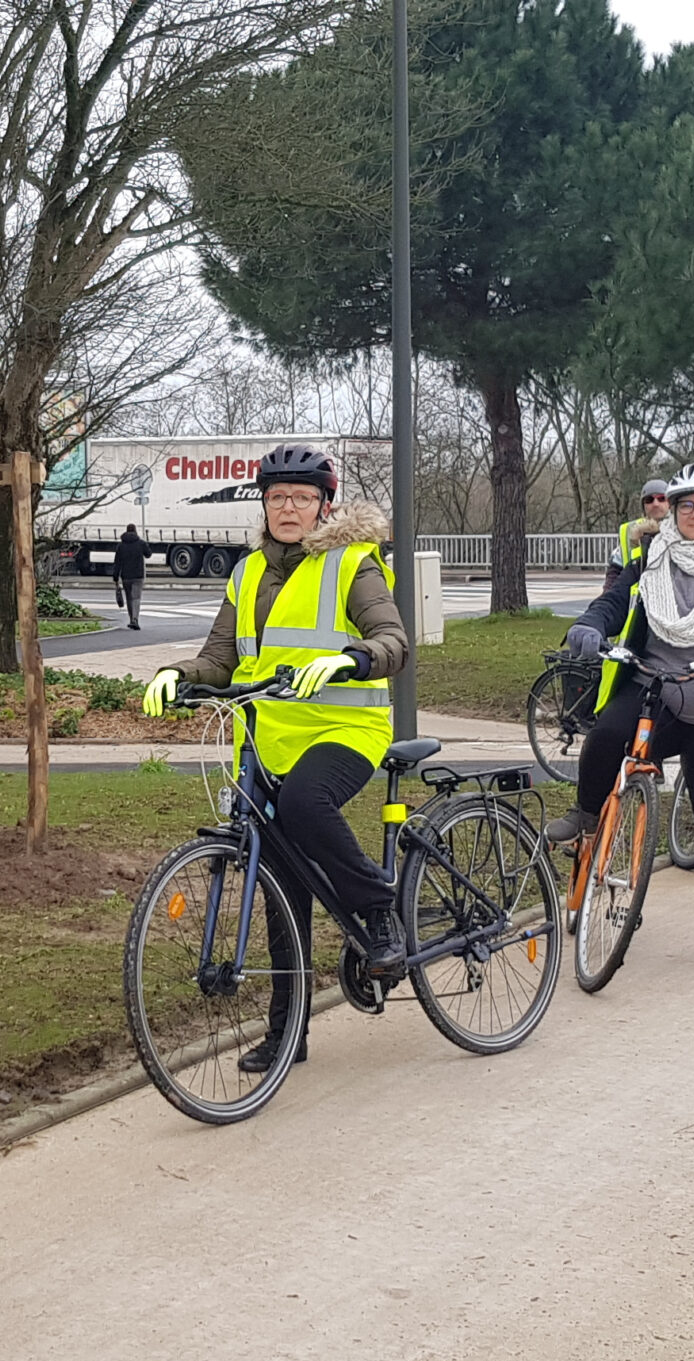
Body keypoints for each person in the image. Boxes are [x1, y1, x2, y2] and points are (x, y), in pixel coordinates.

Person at [140, 443, 412, 1072]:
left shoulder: (354, 564)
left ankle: (379, 908)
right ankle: (288, 1033)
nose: (289, 507)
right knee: (280, 892)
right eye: (278, 497)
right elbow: (219, 656)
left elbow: (392, 640)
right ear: (263, 504)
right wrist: (178, 673)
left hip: (343, 731)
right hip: (264, 740)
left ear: (324, 505)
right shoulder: (247, 574)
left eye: (303, 497)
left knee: (304, 803)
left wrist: (351, 658)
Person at [545, 461, 694, 972]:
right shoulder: (651, 555)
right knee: (607, 733)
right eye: (685, 505)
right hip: (653, 687)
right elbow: (614, 602)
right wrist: (590, 624)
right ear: (672, 512)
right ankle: (588, 814)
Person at [602, 478, 669, 594]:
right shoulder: (630, 532)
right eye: (649, 500)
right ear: (644, 506)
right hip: (638, 603)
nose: (656, 503)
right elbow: (613, 578)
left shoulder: (684, 532)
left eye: (661, 498)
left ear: (671, 503)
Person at [113, 524, 148, 630]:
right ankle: (135, 619)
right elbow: (148, 554)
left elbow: (117, 562)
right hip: (138, 575)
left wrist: (115, 577)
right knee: (136, 597)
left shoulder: (121, 545)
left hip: (126, 576)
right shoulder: (141, 543)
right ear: (135, 531)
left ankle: (131, 619)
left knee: (129, 598)